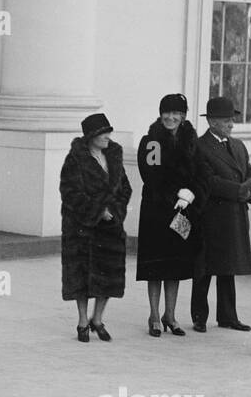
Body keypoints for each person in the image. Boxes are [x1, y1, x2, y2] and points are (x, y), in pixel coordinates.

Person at [60, 113, 132, 342]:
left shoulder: (114, 156)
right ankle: (82, 321)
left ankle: (97, 319)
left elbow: (125, 188)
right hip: (83, 227)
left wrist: (115, 212)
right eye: (103, 133)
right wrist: (98, 210)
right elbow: (70, 193)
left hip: (110, 226)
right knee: (81, 276)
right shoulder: (75, 160)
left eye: (108, 133)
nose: (107, 137)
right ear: (91, 136)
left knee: (108, 276)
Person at [136, 93, 204, 336]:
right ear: (160, 114)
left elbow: (200, 173)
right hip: (157, 212)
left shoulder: (192, 142)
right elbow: (152, 176)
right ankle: (154, 316)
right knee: (155, 268)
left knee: (175, 267)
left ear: (184, 116)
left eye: (177, 113)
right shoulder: (152, 141)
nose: (171, 117)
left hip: (182, 212)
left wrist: (190, 194)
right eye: (167, 112)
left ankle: (170, 315)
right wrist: (177, 194)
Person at [191, 96, 251, 332]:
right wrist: (240, 190)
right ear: (211, 121)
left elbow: (249, 173)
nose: (231, 124)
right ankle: (200, 316)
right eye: (225, 120)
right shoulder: (199, 147)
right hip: (211, 216)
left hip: (235, 214)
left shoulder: (238, 146)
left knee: (228, 267)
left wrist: (248, 192)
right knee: (205, 267)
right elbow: (208, 180)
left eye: (232, 119)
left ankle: (228, 316)